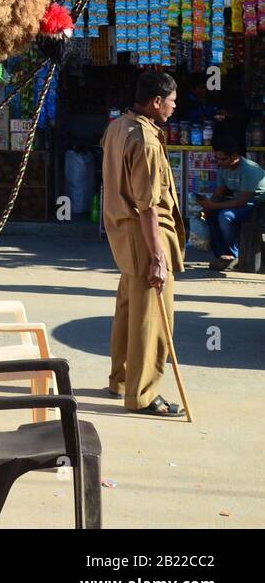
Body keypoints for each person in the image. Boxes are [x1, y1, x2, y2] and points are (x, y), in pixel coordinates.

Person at [101, 69, 187, 417]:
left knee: (129, 310)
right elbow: (148, 206)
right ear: (156, 102)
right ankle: (144, 394)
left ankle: (121, 379)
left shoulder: (118, 126)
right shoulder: (146, 141)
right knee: (151, 318)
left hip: (124, 232)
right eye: (171, 102)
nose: (173, 108)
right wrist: (157, 257)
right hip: (146, 235)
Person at [198, 135, 265, 271]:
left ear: (234, 156)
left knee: (225, 216)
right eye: (217, 158)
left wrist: (213, 206)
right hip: (240, 203)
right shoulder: (223, 168)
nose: (219, 162)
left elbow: (241, 201)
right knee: (211, 216)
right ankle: (222, 254)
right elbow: (219, 193)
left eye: (222, 159)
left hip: (257, 205)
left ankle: (235, 254)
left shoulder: (250, 170)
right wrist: (206, 208)